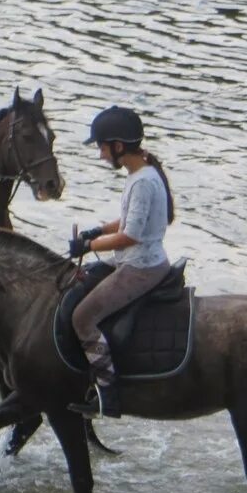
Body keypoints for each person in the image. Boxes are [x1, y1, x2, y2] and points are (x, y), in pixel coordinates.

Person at [66, 106, 176, 419]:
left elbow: (131, 235)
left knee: (82, 318)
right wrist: (98, 229)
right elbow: (128, 220)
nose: (101, 155)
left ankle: (107, 392)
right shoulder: (142, 172)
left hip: (141, 267)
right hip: (134, 259)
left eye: (102, 148)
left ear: (117, 146)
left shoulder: (141, 181)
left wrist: (88, 244)